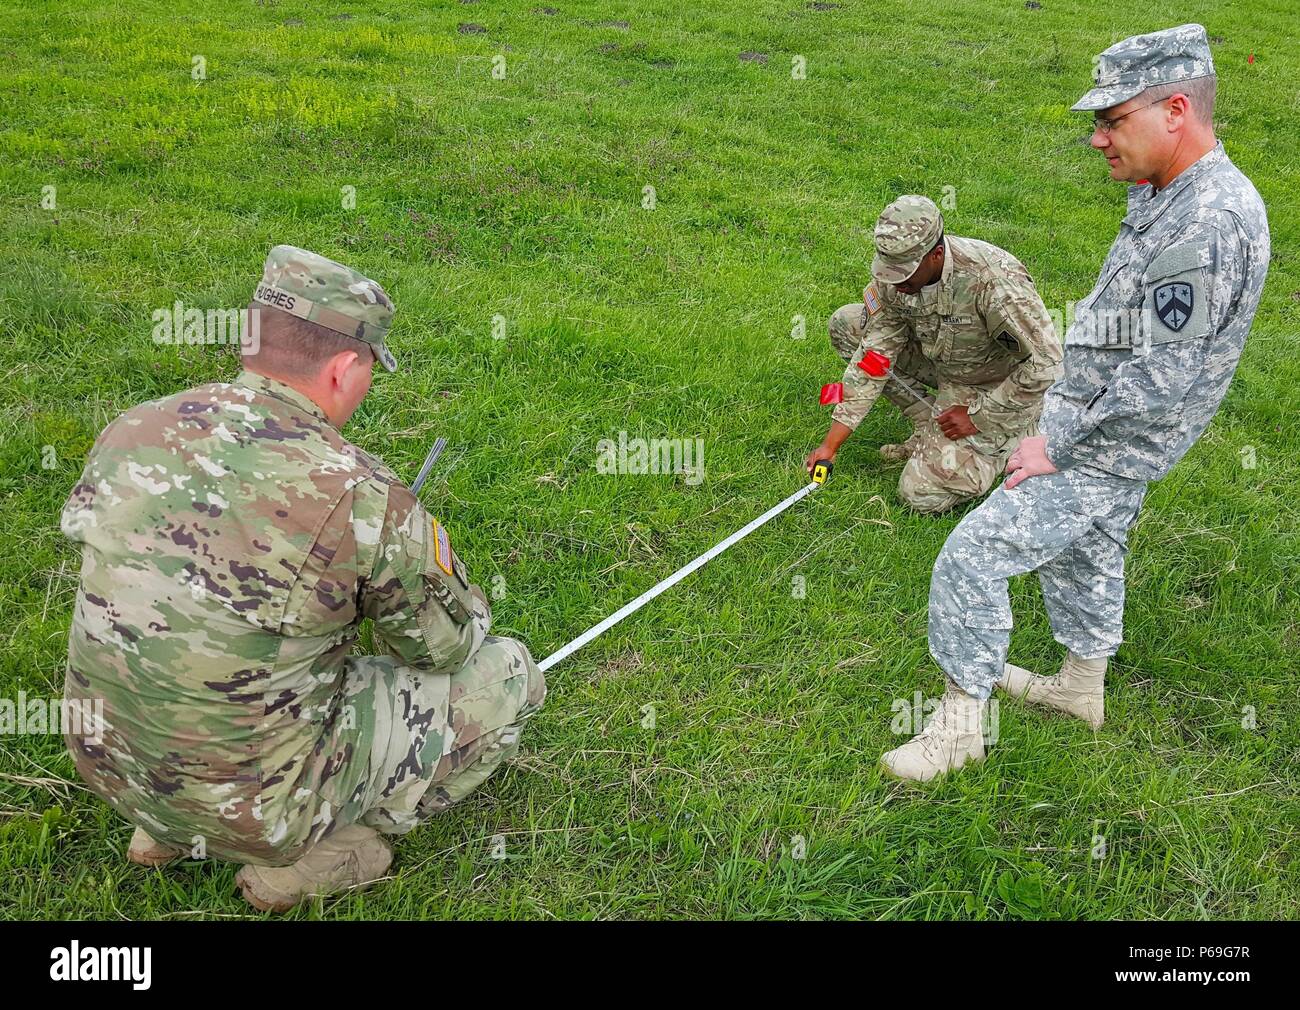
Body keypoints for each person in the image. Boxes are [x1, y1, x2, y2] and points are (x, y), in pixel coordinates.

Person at [61, 246, 546, 909]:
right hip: (259, 811)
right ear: (346, 369)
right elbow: (445, 648)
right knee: (510, 675)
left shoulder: (132, 428)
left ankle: (163, 828)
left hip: (104, 761)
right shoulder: (361, 494)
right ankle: (313, 855)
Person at [881, 24, 1270, 782]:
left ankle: (959, 730)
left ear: (1176, 110)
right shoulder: (1171, 191)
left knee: (970, 558)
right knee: (1090, 547)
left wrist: (1056, 444)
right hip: (1108, 431)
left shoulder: (1206, 222)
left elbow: (1161, 379)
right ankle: (1078, 689)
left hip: (1108, 439)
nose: (1097, 138)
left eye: (1112, 118)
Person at [806, 194, 1061, 513]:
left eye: (903, 275)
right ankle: (928, 419)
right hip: (944, 363)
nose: (894, 283)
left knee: (919, 494)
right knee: (848, 324)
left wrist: (977, 417)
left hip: (993, 387)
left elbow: (1046, 365)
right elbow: (874, 359)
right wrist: (831, 445)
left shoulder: (994, 282)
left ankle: (1011, 439)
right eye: (888, 272)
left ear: (936, 254)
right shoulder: (895, 277)